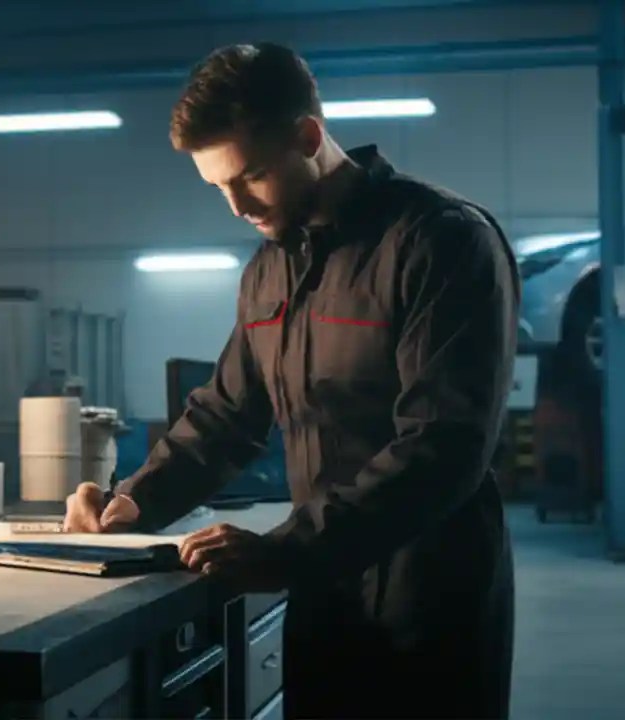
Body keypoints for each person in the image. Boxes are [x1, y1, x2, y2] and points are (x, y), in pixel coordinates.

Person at [64, 42, 520, 719]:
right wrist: (131, 504)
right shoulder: (269, 271)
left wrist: (284, 552)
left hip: (428, 600)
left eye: (248, 177)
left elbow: (444, 446)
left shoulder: (441, 241)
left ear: (308, 137)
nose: (235, 204)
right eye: (217, 186)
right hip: (322, 595)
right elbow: (223, 416)